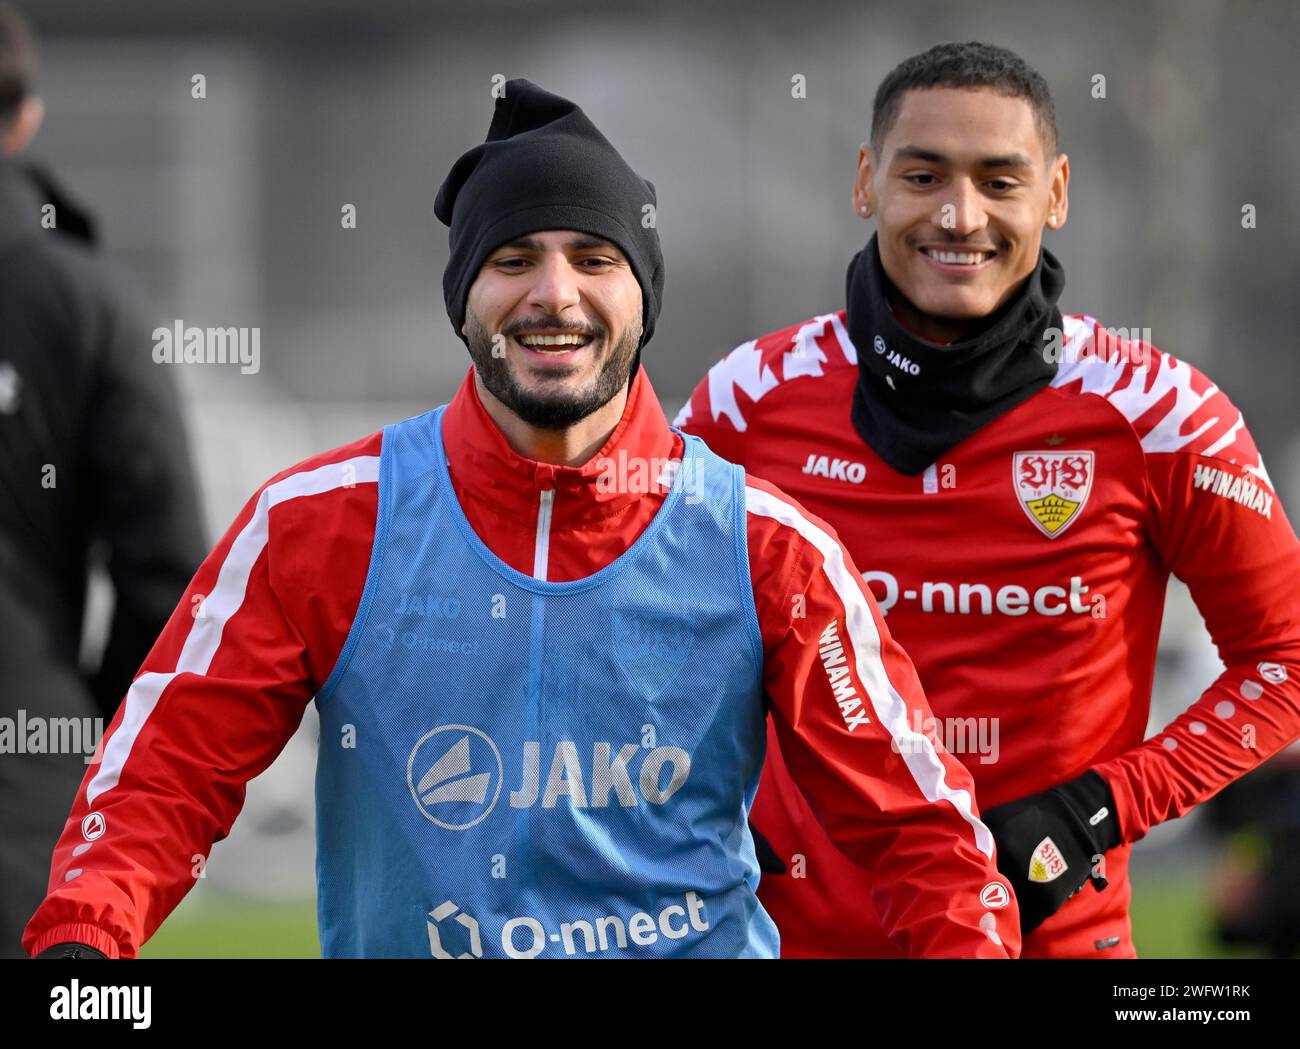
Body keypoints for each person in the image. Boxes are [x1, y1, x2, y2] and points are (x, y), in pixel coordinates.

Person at [24, 79, 1019, 959]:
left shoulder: (767, 550)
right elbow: (163, 781)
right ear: (463, 297)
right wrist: (82, 946)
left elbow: (923, 835)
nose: (555, 293)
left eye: (594, 256)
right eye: (512, 259)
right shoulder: (320, 524)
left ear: (642, 291)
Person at [676, 40, 1300, 958]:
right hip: (792, 942)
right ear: (866, 181)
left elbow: (1284, 663)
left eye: (1000, 181)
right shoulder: (747, 401)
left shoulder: (1164, 416)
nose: (959, 215)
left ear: (1055, 194)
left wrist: (1101, 807)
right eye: (923, 175)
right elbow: (644, 641)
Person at [0, 1, 204, 958]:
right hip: (23, 819)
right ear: (26, 116)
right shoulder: (91, 305)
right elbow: (168, 583)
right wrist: (76, 723)